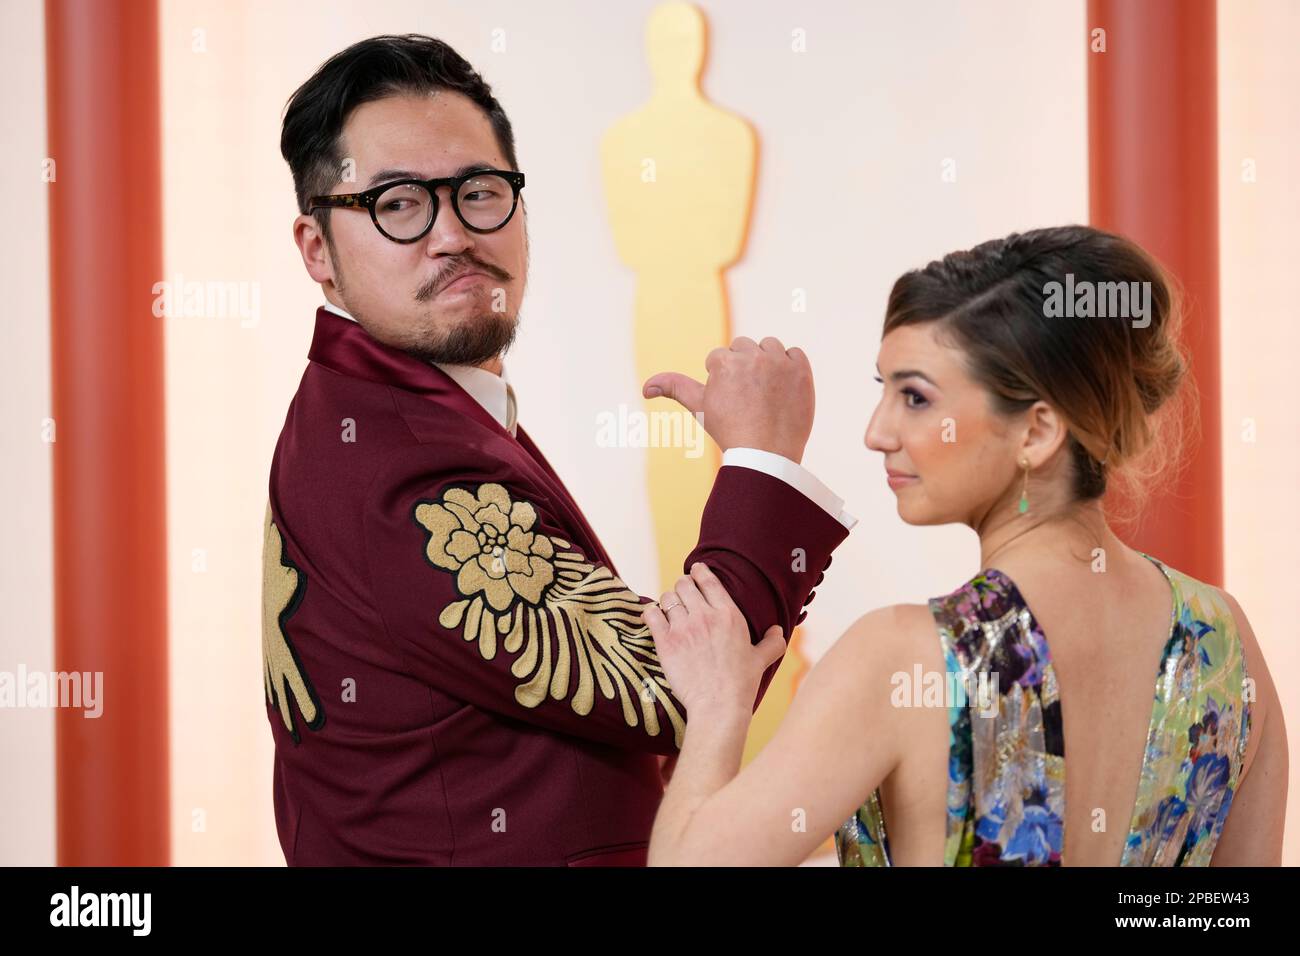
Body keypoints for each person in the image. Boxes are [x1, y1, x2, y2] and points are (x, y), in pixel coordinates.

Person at [262, 34, 854, 866]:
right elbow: (676, 690)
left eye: (478, 191)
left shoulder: (399, 405)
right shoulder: (404, 464)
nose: (453, 235)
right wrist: (763, 458)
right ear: (317, 249)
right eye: (398, 203)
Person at [643, 225, 1288, 866]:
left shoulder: (904, 658)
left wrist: (718, 708)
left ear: (1036, 431)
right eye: (884, 391)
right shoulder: (1227, 642)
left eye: (916, 397)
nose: (877, 432)